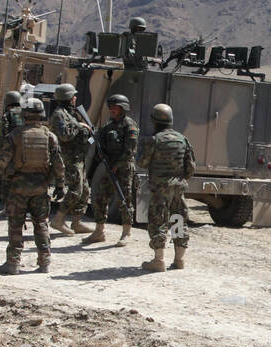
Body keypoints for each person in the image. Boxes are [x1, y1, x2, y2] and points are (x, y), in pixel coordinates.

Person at [0, 98, 64, 274]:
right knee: (41, 224)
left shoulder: (16, 135)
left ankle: (13, 263)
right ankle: (44, 261)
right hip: (41, 187)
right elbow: (58, 164)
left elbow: (3, 161)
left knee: (16, 224)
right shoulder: (50, 136)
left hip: (18, 187)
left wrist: (0, 179)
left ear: (24, 114)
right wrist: (60, 185)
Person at [137, 103, 196, 272]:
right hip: (178, 188)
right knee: (178, 219)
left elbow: (142, 163)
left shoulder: (154, 140)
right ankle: (179, 260)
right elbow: (190, 167)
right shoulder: (182, 139)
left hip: (160, 188)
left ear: (154, 121)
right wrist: (180, 179)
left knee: (158, 220)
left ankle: (158, 260)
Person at [84, 94, 139, 246]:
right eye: (111, 107)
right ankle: (99, 231)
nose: (112, 110)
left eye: (115, 107)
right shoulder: (108, 126)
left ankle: (126, 232)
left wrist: (117, 165)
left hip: (123, 167)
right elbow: (95, 140)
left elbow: (130, 151)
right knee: (100, 197)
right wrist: (89, 135)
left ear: (123, 109)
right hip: (109, 166)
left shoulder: (130, 126)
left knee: (125, 199)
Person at [48, 83, 93, 235]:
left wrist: (93, 137)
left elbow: (85, 135)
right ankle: (58, 219)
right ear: (68, 98)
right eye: (73, 96)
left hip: (79, 157)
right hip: (68, 158)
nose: (75, 98)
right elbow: (65, 135)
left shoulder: (72, 113)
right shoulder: (59, 114)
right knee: (75, 191)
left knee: (85, 191)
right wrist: (79, 126)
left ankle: (77, 222)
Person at [0, 90, 25, 202]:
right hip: (25, 149)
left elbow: (3, 134)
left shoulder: (8, 114)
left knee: (4, 173)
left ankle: (2, 197)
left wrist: (2, 151)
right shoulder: (26, 113)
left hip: (11, 149)